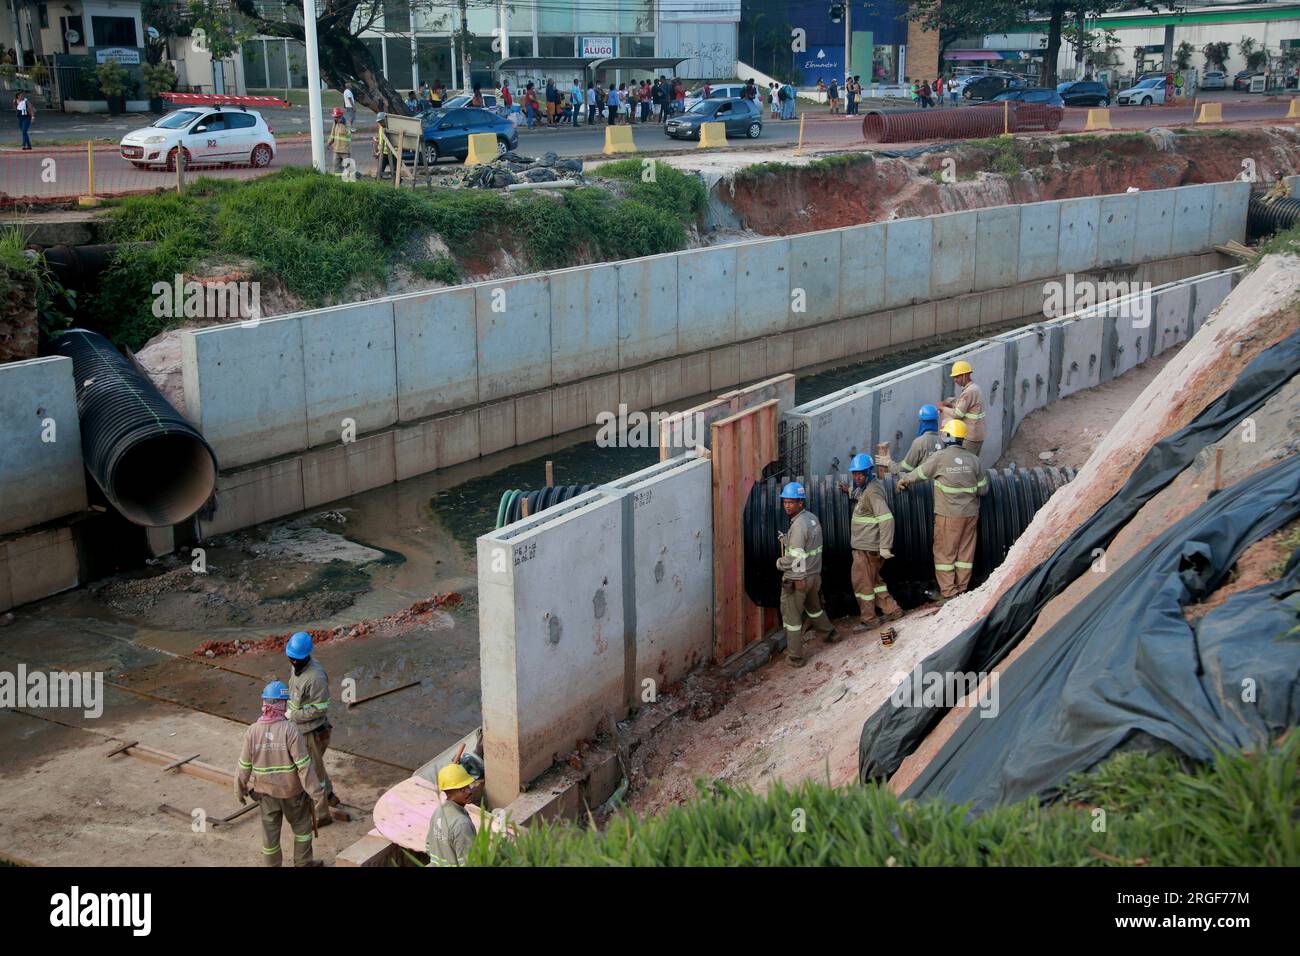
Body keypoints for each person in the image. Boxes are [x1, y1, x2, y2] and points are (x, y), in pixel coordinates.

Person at [896, 419, 987, 602]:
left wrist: (903, 480)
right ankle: (962, 590)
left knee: (944, 553)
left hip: (948, 515)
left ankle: (949, 593)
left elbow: (920, 474)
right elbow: (983, 489)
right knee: (965, 554)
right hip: (970, 515)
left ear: (947, 437)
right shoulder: (974, 460)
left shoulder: (940, 457)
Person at [235, 681, 324, 867]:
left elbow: (244, 765)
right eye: (285, 702)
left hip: (266, 795)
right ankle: (304, 864)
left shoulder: (252, 731)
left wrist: (240, 789)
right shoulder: (290, 730)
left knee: (270, 837)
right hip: (293, 794)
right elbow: (304, 766)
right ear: (281, 704)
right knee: (302, 830)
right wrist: (317, 793)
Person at [776, 481, 837, 667]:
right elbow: (808, 546)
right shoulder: (811, 519)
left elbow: (795, 557)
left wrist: (780, 563)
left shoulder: (798, 526)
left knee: (792, 619)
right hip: (813, 576)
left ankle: (795, 657)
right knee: (814, 608)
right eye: (785, 502)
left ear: (800, 503)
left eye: (791, 502)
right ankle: (830, 634)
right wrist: (788, 540)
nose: (787, 505)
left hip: (798, 580)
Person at [840, 454, 902, 632]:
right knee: (874, 582)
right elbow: (863, 501)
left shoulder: (873, 492)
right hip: (866, 547)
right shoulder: (869, 488)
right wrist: (849, 491)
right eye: (854, 474)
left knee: (862, 584)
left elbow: (887, 519)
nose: (856, 477)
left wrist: (885, 547)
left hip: (867, 549)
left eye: (860, 474)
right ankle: (893, 610)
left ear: (868, 472)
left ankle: (869, 619)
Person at [285, 631, 338, 826]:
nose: (292, 660)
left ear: (304, 656)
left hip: (313, 732)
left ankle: (322, 814)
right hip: (300, 729)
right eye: (290, 657)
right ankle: (330, 795)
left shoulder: (315, 678)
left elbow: (320, 708)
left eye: (295, 658)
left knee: (313, 775)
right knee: (315, 767)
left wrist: (294, 715)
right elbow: (294, 695)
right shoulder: (295, 667)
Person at [426, 762, 478, 867]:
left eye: (467, 786)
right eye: (461, 789)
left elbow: (428, 846)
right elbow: (470, 864)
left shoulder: (439, 811)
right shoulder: (462, 824)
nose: (468, 791)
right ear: (449, 793)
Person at [937, 360, 986, 457]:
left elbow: (957, 414)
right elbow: (965, 406)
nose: (955, 380)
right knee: (972, 464)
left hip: (971, 436)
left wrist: (942, 408)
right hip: (977, 434)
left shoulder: (969, 392)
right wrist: (951, 402)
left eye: (957, 376)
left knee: (966, 464)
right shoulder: (974, 388)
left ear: (966, 375)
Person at [884, 404, 946, 476]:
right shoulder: (943, 440)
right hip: (939, 483)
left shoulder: (919, 442)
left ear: (921, 422)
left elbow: (904, 468)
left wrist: (888, 463)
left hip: (923, 485)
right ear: (936, 421)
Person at [326, 106, 351, 173]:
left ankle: (350, 180)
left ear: (341, 116)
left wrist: (342, 124)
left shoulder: (346, 123)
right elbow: (332, 134)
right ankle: (338, 181)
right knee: (336, 168)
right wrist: (329, 143)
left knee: (348, 167)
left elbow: (348, 134)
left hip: (345, 150)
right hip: (336, 150)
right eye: (334, 117)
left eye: (336, 117)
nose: (335, 118)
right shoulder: (335, 123)